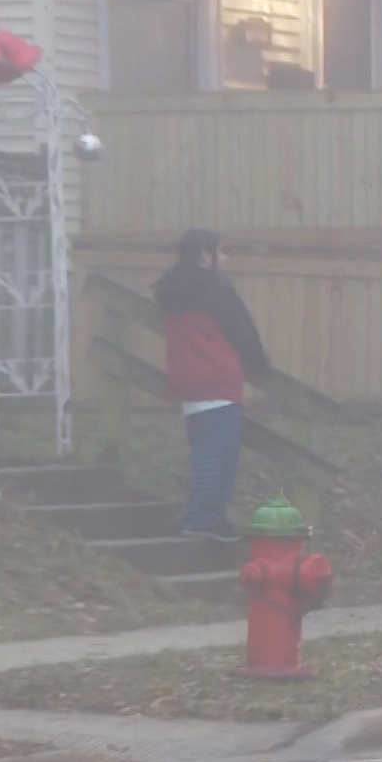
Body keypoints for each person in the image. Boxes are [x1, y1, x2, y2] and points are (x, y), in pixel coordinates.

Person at [154, 229, 271, 542]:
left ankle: (209, 519)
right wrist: (261, 365)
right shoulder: (217, 290)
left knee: (207, 449)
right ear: (205, 255)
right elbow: (243, 333)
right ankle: (201, 520)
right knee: (218, 455)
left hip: (187, 381)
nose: (224, 259)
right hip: (218, 382)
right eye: (220, 252)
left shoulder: (171, 290)